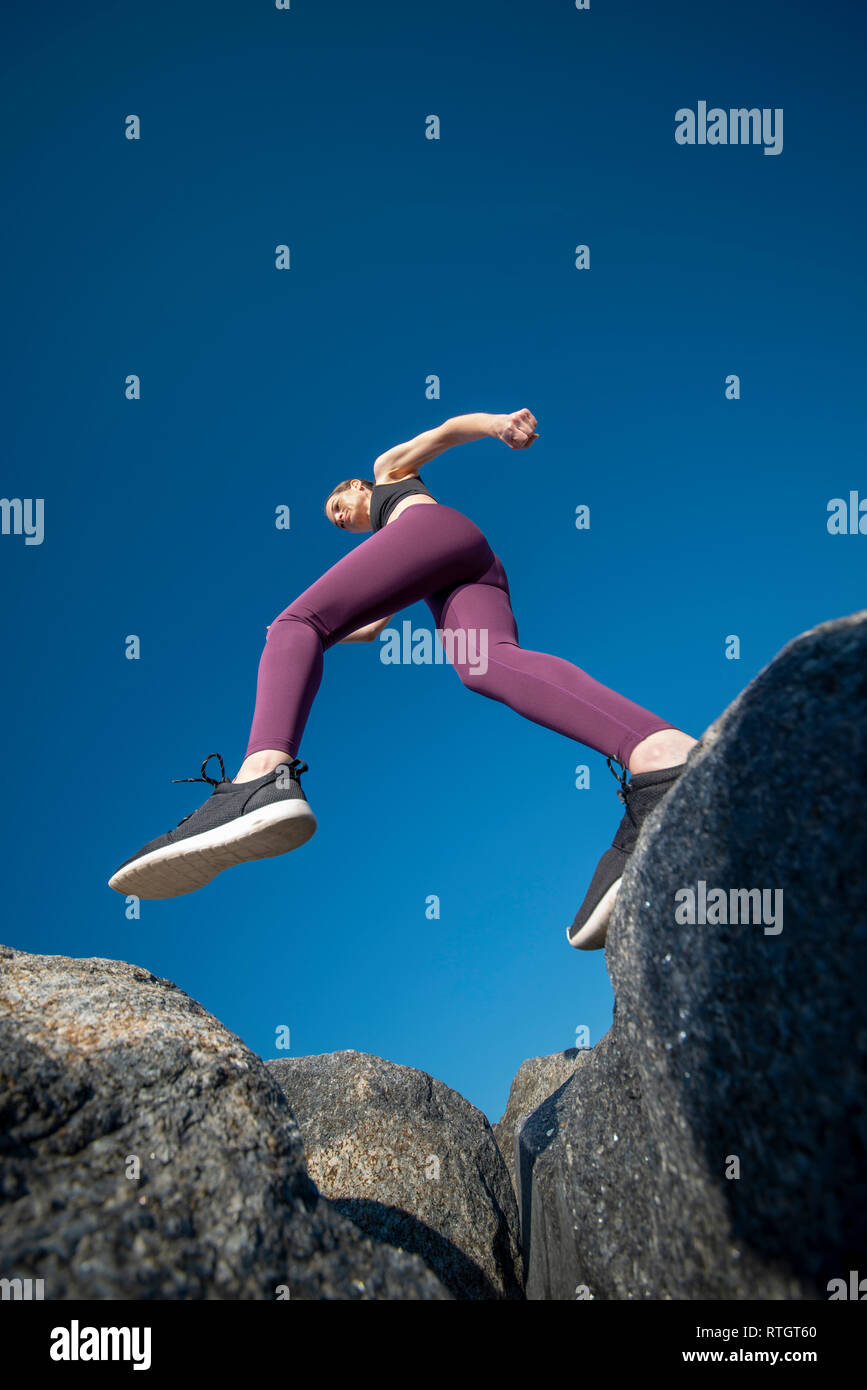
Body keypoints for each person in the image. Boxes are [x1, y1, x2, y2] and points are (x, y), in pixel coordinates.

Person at [109, 409, 696, 948]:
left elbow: (443, 431)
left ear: (360, 488)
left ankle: (260, 778)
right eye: (334, 521)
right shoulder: (391, 550)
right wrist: (320, 640)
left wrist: (497, 425)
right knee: (488, 665)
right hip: (469, 565)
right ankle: (662, 760)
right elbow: (366, 626)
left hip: (438, 533)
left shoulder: (387, 473)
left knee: (293, 623)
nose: (338, 517)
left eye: (338, 505)